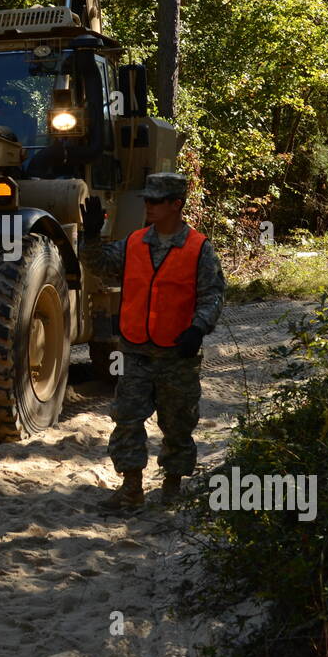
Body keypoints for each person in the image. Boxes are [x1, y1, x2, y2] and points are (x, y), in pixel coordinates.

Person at [79, 172, 226, 509]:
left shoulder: (198, 248)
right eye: (146, 199)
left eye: (156, 200)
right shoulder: (134, 243)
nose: (148, 205)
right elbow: (101, 265)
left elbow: (213, 295)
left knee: (177, 423)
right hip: (135, 351)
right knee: (127, 419)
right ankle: (131, 488)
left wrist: (198, 328)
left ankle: (173, 486)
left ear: (176, 204)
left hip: (178, 354)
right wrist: (89, 237)